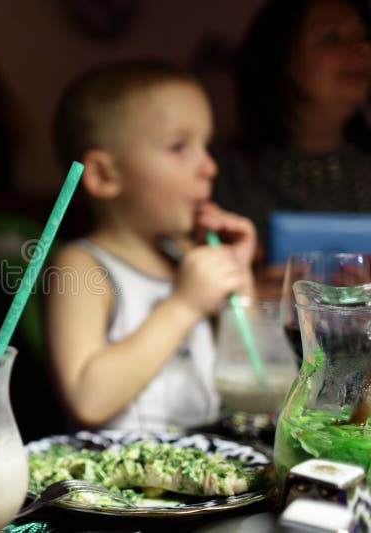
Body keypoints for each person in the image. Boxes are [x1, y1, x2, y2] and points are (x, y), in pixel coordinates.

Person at [47, 60, 257, 430]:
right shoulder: (80, 264)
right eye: (179, 147)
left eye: (206, 146)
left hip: (207, 453)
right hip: (116, 464)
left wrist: (240, 280)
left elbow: (253, 383)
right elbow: (87, 400)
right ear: (104, 174)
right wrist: (184, 305)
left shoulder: (188, 257)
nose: (209, 167)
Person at [213, 0, 371, 255]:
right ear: (282, 56)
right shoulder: (223, 174)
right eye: (331, 37)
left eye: (365, 37)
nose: (362, 48)